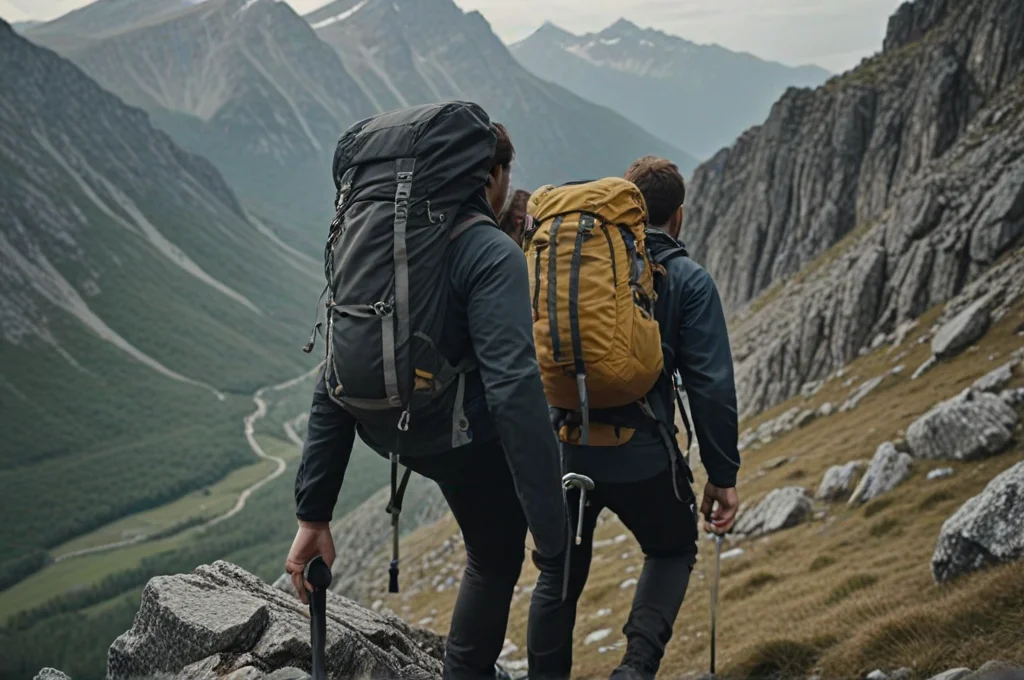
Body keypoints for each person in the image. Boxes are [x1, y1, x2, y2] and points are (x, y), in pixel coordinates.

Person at [286, 122, 568, 680]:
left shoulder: (377, 243)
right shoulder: (489, 253)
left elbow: (336, 368)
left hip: (386, 424)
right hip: (459, 436)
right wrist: (550, 528)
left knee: (484, 538)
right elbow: (514, 389)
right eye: (505, 177)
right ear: (490, 175)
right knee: (493, 551)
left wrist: (313, 513)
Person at [527, 156, 741, 680]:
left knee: (558, 573)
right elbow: (711, 387)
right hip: (643, 456)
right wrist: (722, 475)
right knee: (671, 548)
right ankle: (635, 669)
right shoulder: (688, 280)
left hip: (567, 447)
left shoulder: (581, 269)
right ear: (680, 216)